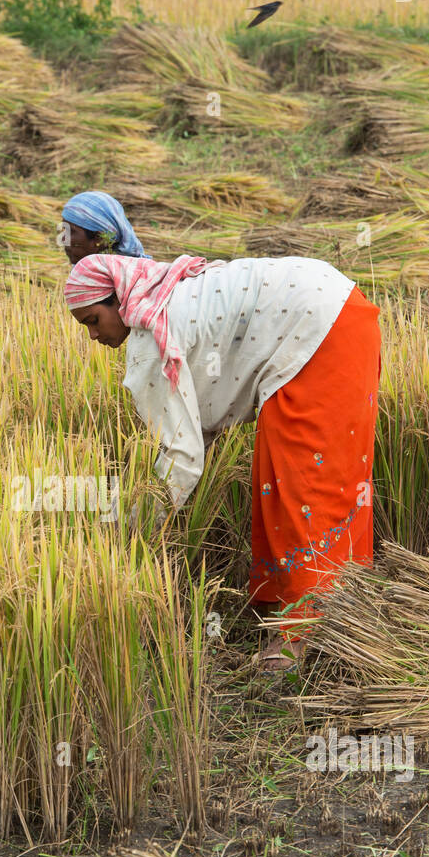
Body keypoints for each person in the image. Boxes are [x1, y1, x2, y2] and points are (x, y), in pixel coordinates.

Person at [64, 252, 381, 669]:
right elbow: (192, 434)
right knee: (279, 476)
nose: (93, 336)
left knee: (306, 485)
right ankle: (303, 612)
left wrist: (134, 532)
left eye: (92, 320)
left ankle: (299, 637)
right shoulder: (164, 297)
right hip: (342, 311)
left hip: (320, 327)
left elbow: (182, 456)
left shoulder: (149, 341)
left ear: (119, 301)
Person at [60, 191, 147, 265]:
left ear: (99, 238)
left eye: (70, 232)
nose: (63, 239)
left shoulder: (129, 279)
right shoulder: (83, 271)